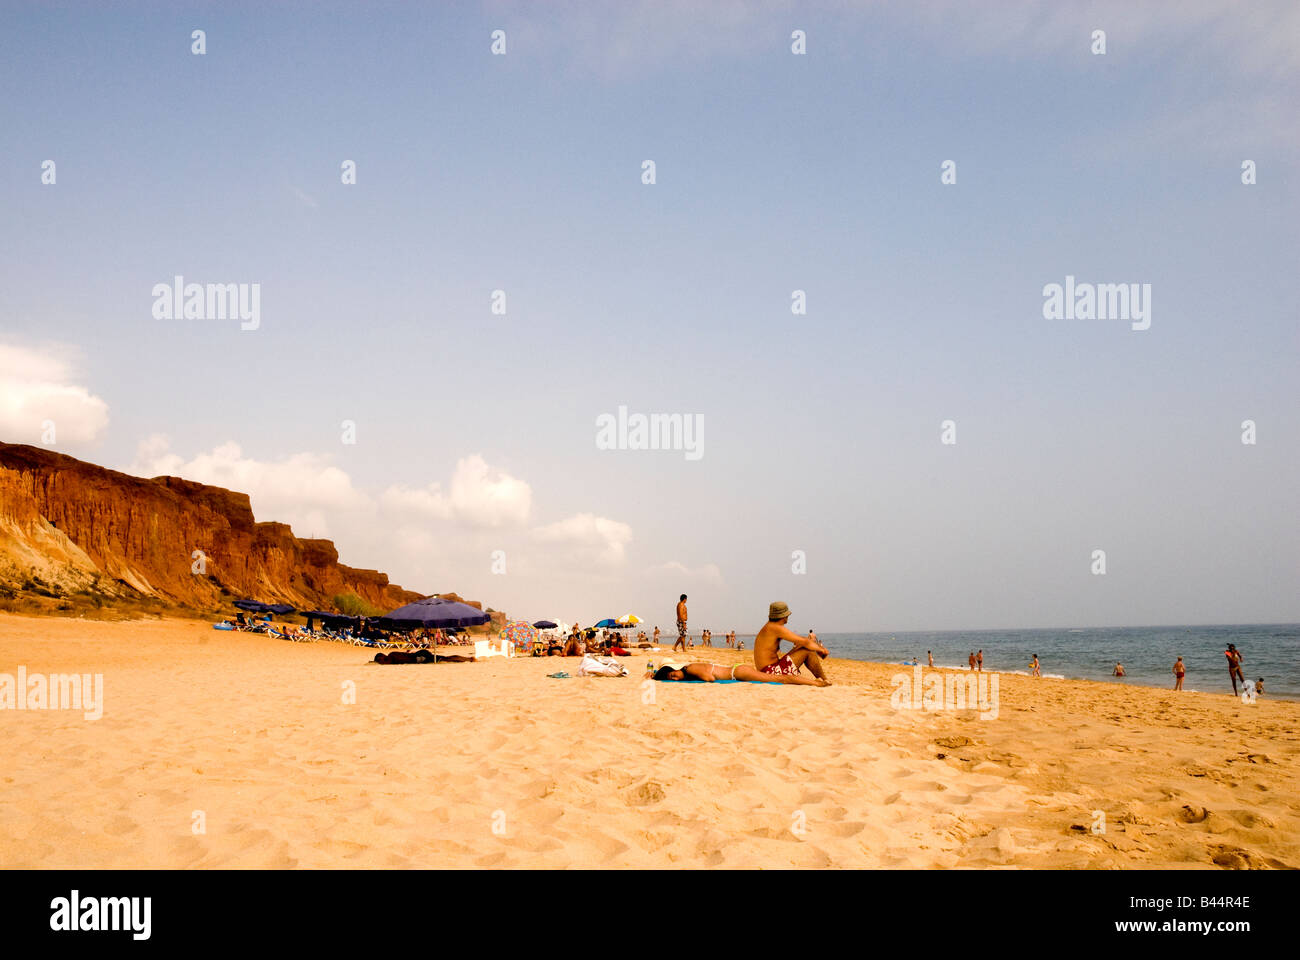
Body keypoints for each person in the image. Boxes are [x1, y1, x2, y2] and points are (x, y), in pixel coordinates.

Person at [753, 602, 831, 684]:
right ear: (784, 616)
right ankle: (824, 679)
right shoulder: (775, 628)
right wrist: (822, 649)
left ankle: (824, 679)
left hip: (768, 669)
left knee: (803, 646)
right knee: (807, 650)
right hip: (770, 672)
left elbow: (800, 642)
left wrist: (814, 645)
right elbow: (805, 642)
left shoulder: (770, 627)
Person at [649, 660, 829, 686]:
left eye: (673, 675)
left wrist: (691, 678)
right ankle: (815, 682)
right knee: (776, 678)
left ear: (674, 670)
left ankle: (815, 683)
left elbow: (710, 678)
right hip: (737, 670)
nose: (676, 679)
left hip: (738, 673)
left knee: (779, 679)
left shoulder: (689, 669)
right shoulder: (686, 669)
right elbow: (659, 670)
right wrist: (653, 674)